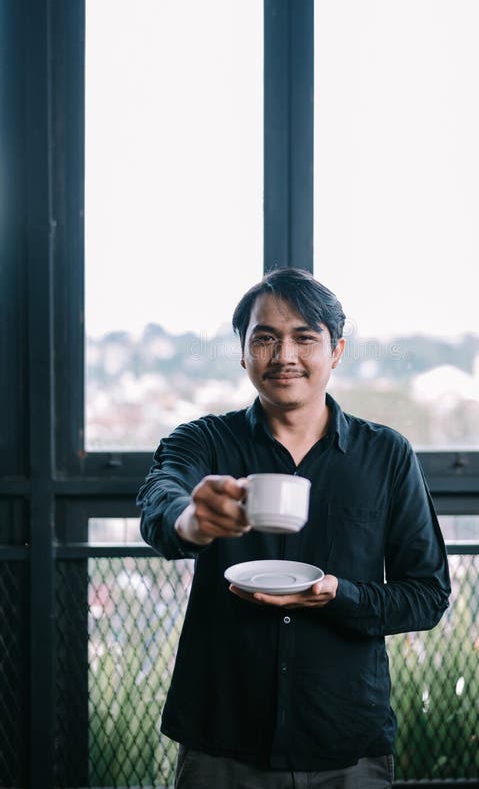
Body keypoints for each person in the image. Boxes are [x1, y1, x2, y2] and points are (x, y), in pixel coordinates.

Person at [137, 267, 451, 789]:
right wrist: (191, 520)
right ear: (242, 353)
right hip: (224, 735)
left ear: (337, 351)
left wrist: (339, 596)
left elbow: (427, 595)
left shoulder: (386, 454)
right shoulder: (205, 441)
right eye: (265, 339)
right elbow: (160, 499)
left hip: (345, 738)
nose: (284, 356)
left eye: (305, 338)